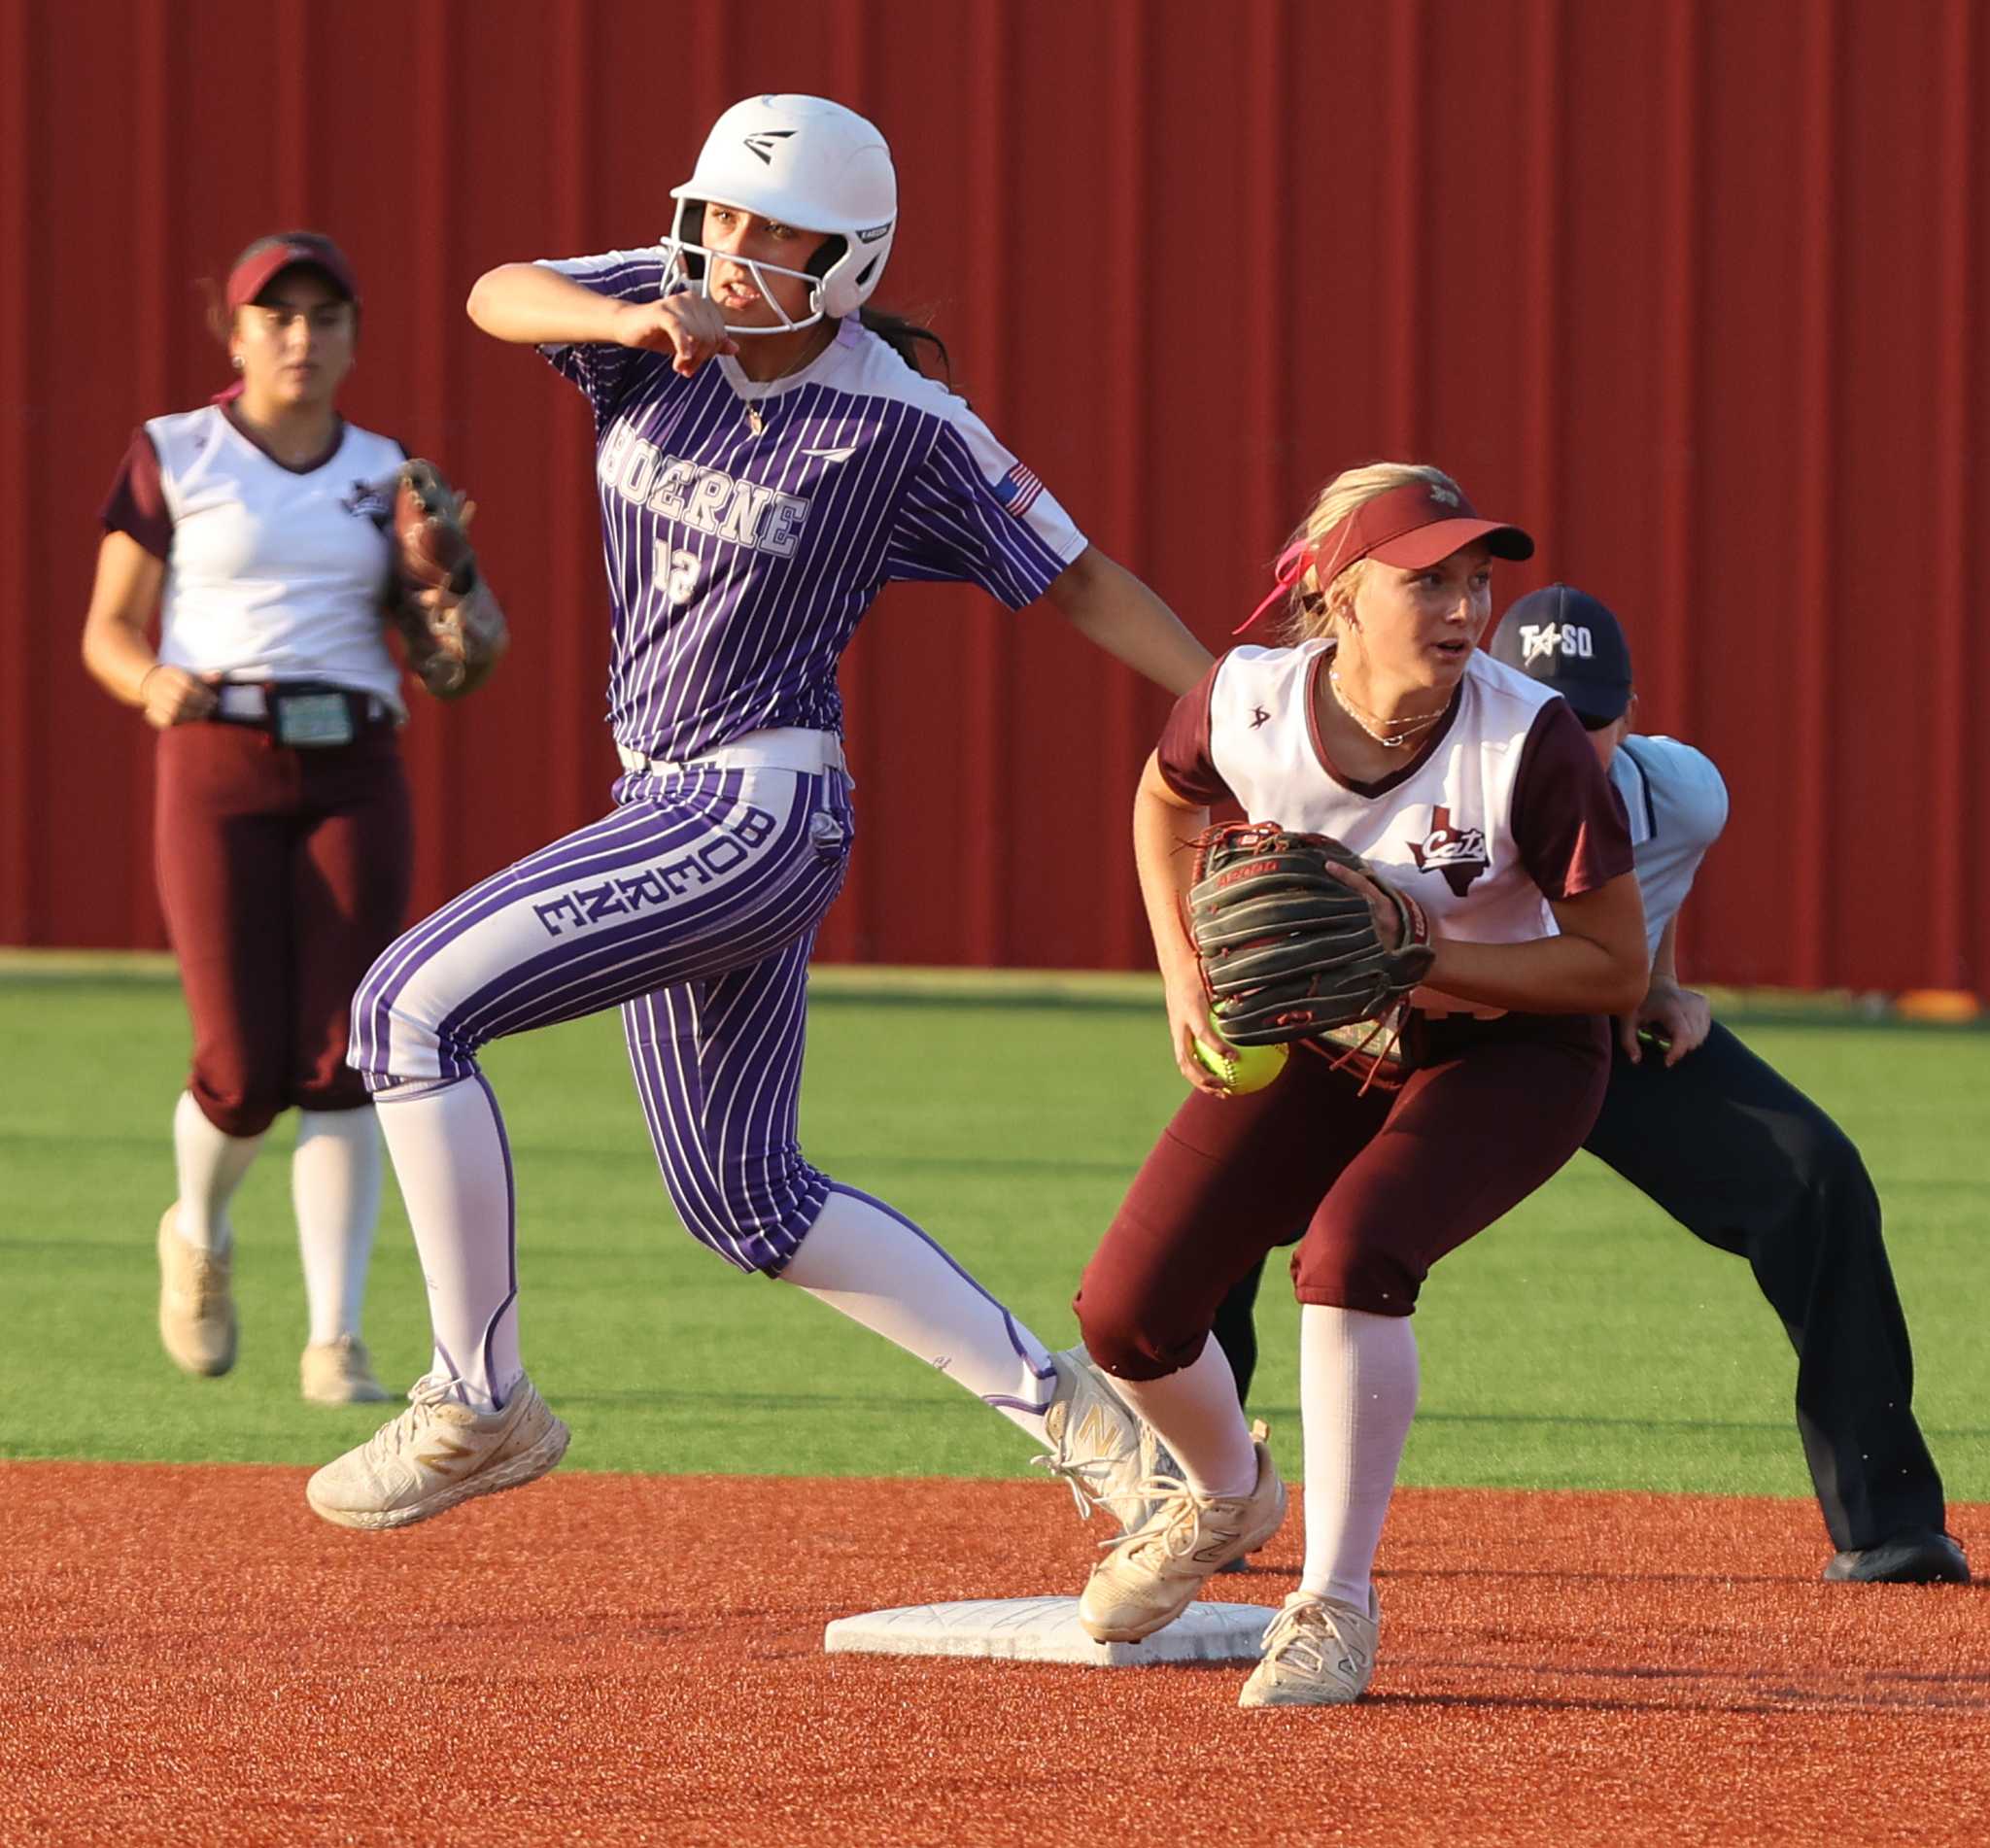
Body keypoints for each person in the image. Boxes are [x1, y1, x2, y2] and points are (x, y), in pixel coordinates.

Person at [303, 95, 1213, 1531]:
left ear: (849, 257)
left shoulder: (902, 420)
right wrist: (624, 328)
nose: (730, 248)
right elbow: (495, 291)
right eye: (718, 213)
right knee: (748, 1201)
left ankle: (479, 1400)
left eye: (772, 229)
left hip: (759, 802)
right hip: (667, 800)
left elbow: (1083, 577)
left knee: (404, 1012)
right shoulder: (661, 305)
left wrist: (1236, 706)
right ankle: (1095, 1435)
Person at [1210, 589, 1971, 1587]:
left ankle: (1889, 1523)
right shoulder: (1422, 777)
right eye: (1546, 712)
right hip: (1395, 1030)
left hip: (1572, 1036)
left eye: (1593, 716)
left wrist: (1652, 982)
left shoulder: (1681, 795)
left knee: (1812, 1176)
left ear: (1633, 710)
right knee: (1222, 1211)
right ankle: (1208, 1491)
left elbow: (1638, 896)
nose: (1572, 737)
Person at [1061, 464, 1648, 1708]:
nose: (1462, 605)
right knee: (1123, 1313)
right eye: (1425, 578)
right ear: (1335, 590)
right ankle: (1224, 1497)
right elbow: (1163, 801)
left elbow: (1613, 967)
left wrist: (1421, 954)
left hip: (1511, 1054)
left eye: (1475, 578)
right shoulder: (1249, 699)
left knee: (1349, 1256)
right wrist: (1179, 970)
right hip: (1329, 1037)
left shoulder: (1526, 740)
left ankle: (1332, 1603)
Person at [82, 232, 494, 1405]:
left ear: (355, 336)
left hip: (352, 757)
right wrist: (145, 679)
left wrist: (453, 594)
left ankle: (336, 1338)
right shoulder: (177, 451)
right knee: (239, 1061)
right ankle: (199, 1237)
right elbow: (107, 627)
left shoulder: (388, 473)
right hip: (216, 749)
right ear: (237, 334)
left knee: (344, 1054)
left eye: (323, 317)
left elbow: (456, 651)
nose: (299, 339)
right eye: (277, 317)